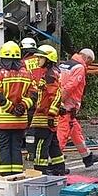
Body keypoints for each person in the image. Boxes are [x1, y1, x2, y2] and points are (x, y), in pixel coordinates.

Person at [0, 41, 35, 179]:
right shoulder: (27, 74)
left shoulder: (0, 74)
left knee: (2, 148)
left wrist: (10, 108)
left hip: (1, 121)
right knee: (16, 149)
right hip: (20, 121)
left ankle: (2, 178)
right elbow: (34, 94)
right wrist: (22, 107)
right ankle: (16, 177)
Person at [56, 48, 98, 168]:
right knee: (62, 135)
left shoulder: (64, 65)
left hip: (63, 107)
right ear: (87, 58)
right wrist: (59, 102)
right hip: (67, 108)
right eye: (90, 62)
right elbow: (70, 87)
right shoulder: (79, 68)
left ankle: (87, 157)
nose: (89, 65)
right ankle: (55, 163)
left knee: (76, 131)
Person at [30, 45, 68, 175]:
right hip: (48, 115)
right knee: (53, 144)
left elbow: (53, 95)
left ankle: (40, 171)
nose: (38, 60)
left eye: (41, 57)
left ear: (48, 59)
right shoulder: (53, 73)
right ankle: (59, 168)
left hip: (44, 117)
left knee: (41, 145)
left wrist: (51, 115)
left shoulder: (50, 75)